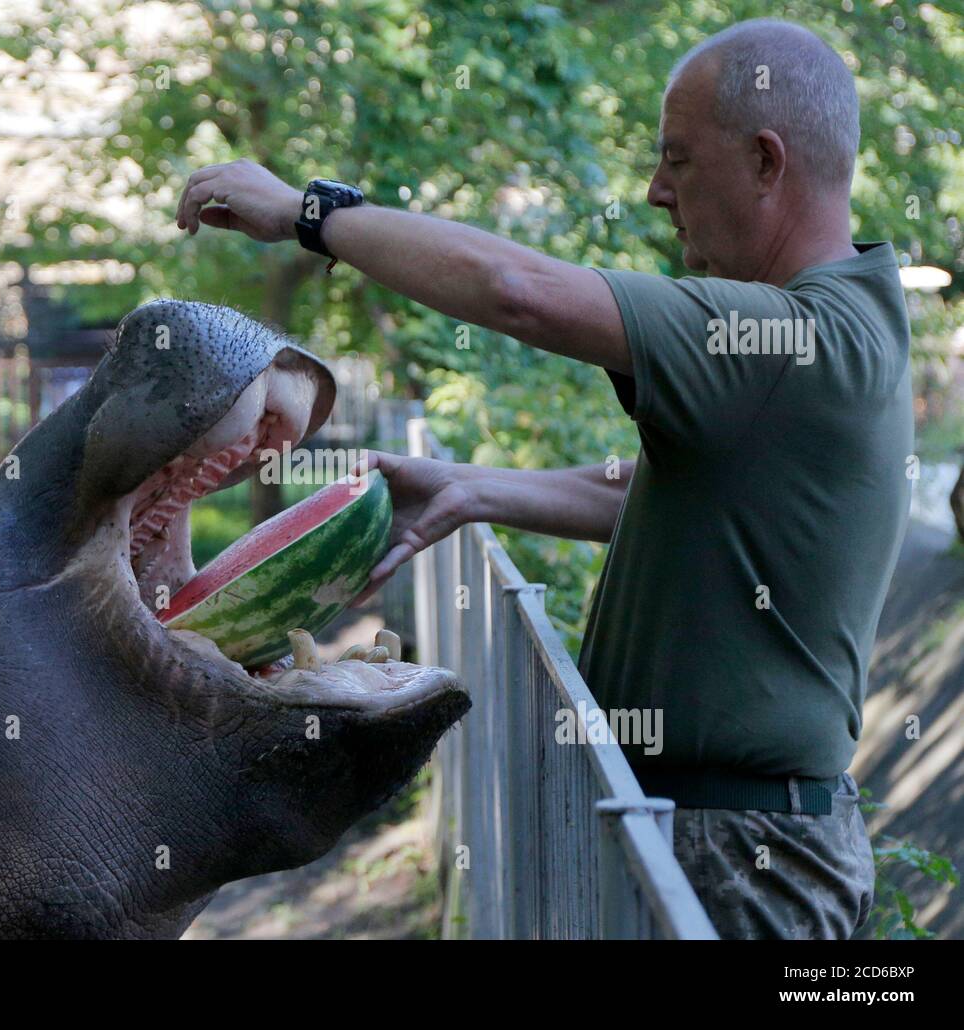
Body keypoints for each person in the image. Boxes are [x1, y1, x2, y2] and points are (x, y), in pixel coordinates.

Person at [175, 18, 911, 940]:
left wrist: (309, 215)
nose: (654, 192)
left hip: (745, 858)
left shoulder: (788, 337)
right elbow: (658, 494)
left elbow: (515, 289)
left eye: (676, 161)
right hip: (724, 835)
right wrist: (471, 488)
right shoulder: (840, 327)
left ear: (767, 163)